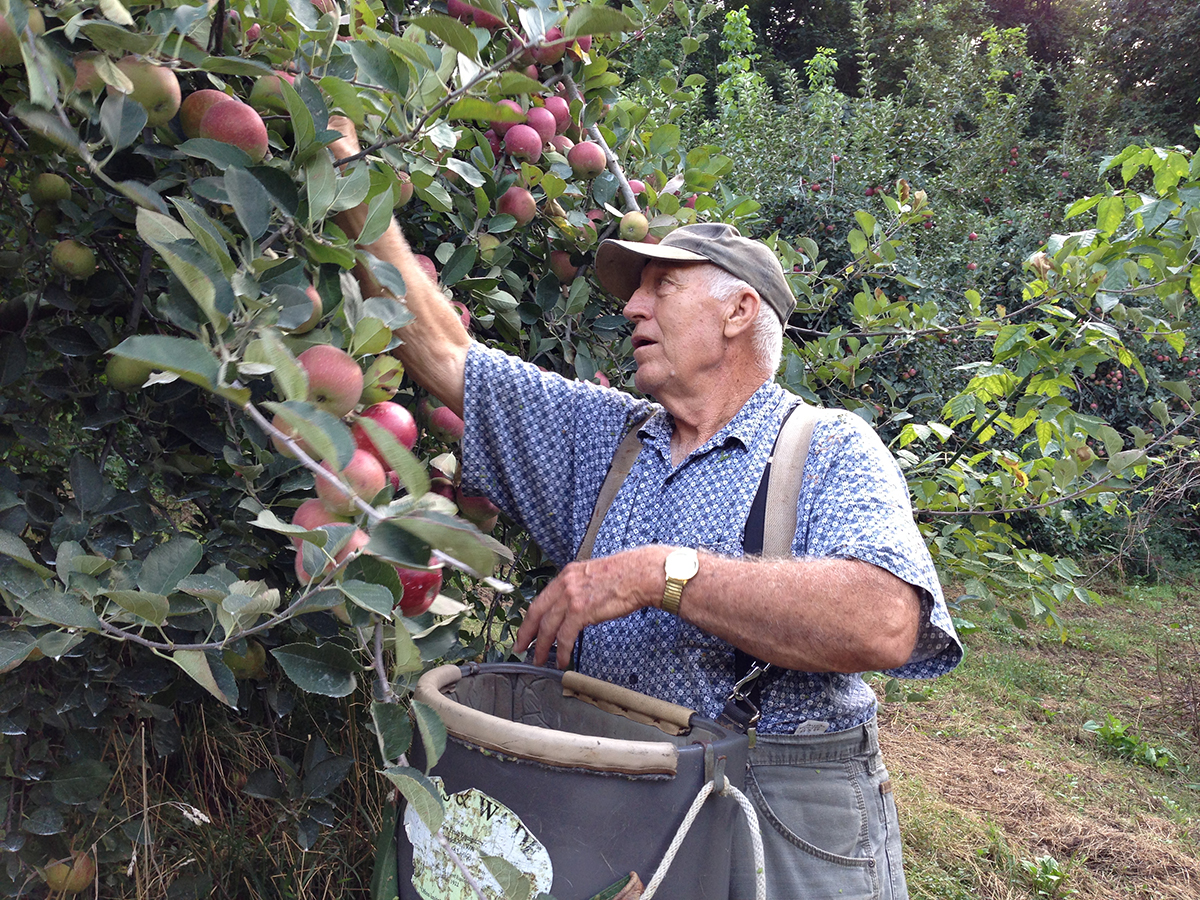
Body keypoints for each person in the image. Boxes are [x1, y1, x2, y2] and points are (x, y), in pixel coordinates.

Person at [328, 119, 962, 900]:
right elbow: (438, 351)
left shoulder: (827, 448)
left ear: (737, 312)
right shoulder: (602, 437)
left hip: (788, 827)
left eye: (662, 285)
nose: (632, 307)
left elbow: (883, 622)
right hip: (620, 815)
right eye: (634, 289)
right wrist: (345, 169)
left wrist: (657, 573)